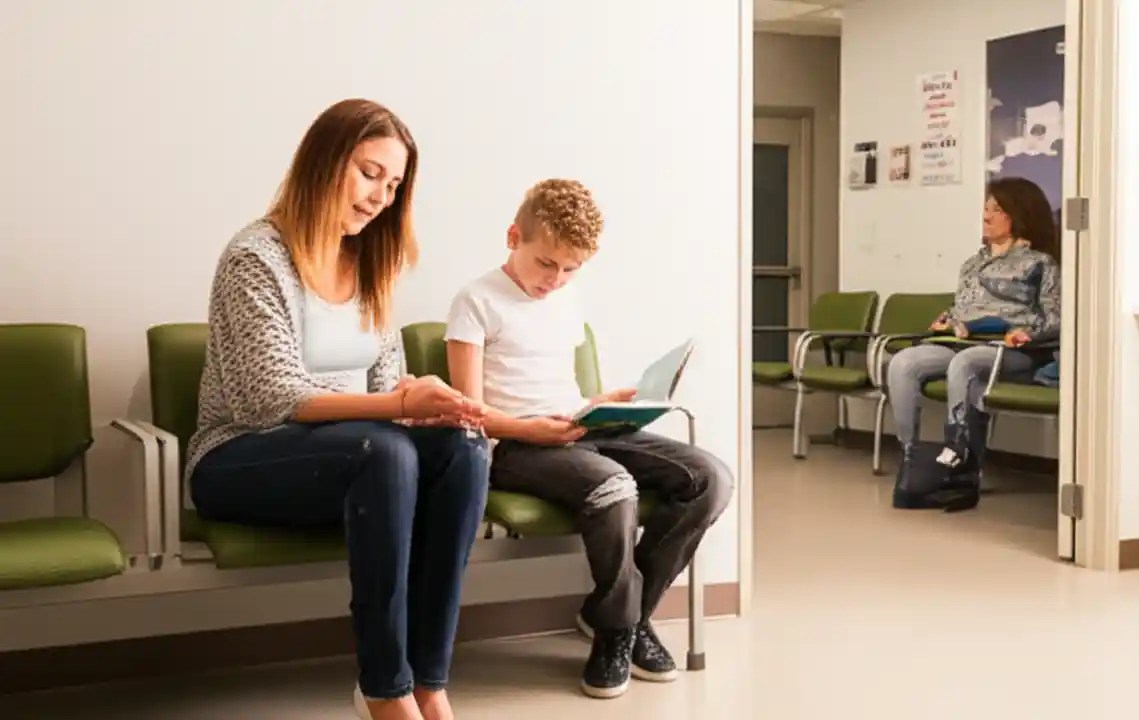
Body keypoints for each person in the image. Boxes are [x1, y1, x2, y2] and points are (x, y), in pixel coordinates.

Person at [186, 98, 489, 720]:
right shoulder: (256, 257)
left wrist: (424, 406)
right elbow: (272, 396)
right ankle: (384, 690)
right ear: (324, 162)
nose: (382, 195)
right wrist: (397, 405)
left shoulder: (372, 262)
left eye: (395, 183)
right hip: (238, 458)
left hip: (360, 456)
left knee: (463, 449)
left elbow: (387, 382)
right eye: (370, 172)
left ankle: (429, 683)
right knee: (382, 448)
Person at [444, 179, 734, 699]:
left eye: (571, 268)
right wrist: (528, 428)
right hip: (514, 445)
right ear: (514, 236)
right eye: (546, 263)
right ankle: (622, 630)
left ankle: (617, 616)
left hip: (577, 429)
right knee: (613, 486)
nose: (555, 279)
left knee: (711, 479)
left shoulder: (567, 298)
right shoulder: (475, 301)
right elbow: (469, 413)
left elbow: (558, 385)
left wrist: (605, 403)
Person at [885, 176, 1061, 501]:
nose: (986, 216)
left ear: (1018, 214)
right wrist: (947, 319)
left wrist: (1028, 332)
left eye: (996, 209)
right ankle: (912, 460)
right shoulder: (972, 264)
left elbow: (1055, 318)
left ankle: (960, 460)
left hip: (1012, 350)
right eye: (985, 208)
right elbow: (962, 307)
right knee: (903, 362)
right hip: (963, 342)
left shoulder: (1040, 263)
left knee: (964, 364)